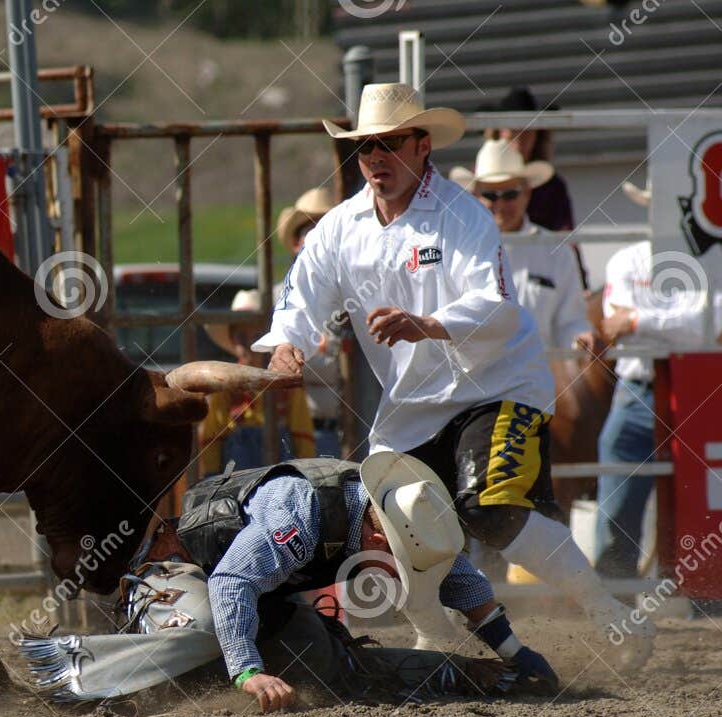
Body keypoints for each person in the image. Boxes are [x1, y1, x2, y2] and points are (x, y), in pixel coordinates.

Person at [257, 82, 653, 670]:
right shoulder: (340, 228)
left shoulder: (462, 215)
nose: (374, 159)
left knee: (489, 510)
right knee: (395, 523)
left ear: (422, 146)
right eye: (366, 147)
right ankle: (435, 634)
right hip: (411, 401)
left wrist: (427, 324)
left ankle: (606, 614)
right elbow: (300, 292)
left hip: (496, 385)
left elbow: (495, 305)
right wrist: (286, 342)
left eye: (389, 144)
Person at [17, 454, 527, 712]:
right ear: (377, 531)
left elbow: (454, 574)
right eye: (396, 559)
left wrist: (515, 653)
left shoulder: (394, 513)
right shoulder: (301, 512)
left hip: (259, 596)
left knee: (328, 667)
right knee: (213, 621)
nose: (398, 573)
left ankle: (466, 675)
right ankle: (74, 671)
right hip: (178, 574)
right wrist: (247, 673)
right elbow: (233, 581)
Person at [593, 188, 719, 579]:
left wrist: (638, 322)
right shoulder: (627, 260)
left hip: (698, 390)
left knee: (704, 498)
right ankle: (616, 592)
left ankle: (704, 592)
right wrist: (682, 327)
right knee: (618, 502)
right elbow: (617, 327)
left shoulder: (712, 259)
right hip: (645, 390)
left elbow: (710, 329)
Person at [453, 138, 589, 352]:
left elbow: (571, 322)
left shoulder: (557, 251)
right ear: (475, 196)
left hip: (535, 378)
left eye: (510, 194)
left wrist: (581, 339)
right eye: (490, 195)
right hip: (475, 378)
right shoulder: (455, 250)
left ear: (527, 192)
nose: (500, 204)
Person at [201, 289, 316, 475]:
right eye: (241, 337)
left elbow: (301, 431)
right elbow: (213, 436)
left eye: (255, 337)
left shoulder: (286, 379)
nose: (248, 344)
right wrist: (212, 475)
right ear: (232, 339)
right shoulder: (225, 383)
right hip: (236, 472)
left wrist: (307, 471)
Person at [277, 186, 346, 457]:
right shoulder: (280, 302)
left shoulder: (356, 291)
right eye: (312, 231)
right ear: (297, 242)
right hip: (307, 431)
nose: (321, 240)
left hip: (360, 425)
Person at [480, 86, 575, 232]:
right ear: (498, 132)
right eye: (490, 194)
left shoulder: (552, 186)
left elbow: (564, 234)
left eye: (527, 132)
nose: (519, 141)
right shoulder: (479, 179)